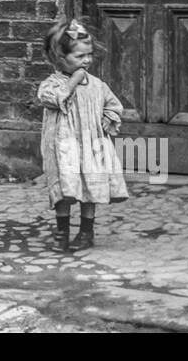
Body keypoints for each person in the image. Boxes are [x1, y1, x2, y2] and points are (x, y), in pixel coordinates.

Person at [34, 18, 129, 252]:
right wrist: (73, 81)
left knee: (90, 188)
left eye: (89, 55)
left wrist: (108, 119)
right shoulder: (52, 84)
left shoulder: (96, 85)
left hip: (91, 146)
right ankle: (62, 232)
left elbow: (113, 105)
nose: (86, 61)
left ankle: (86, 232)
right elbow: (52, 99)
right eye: (79, 57)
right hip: (63, 147)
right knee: (65, 189)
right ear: (60, 58)